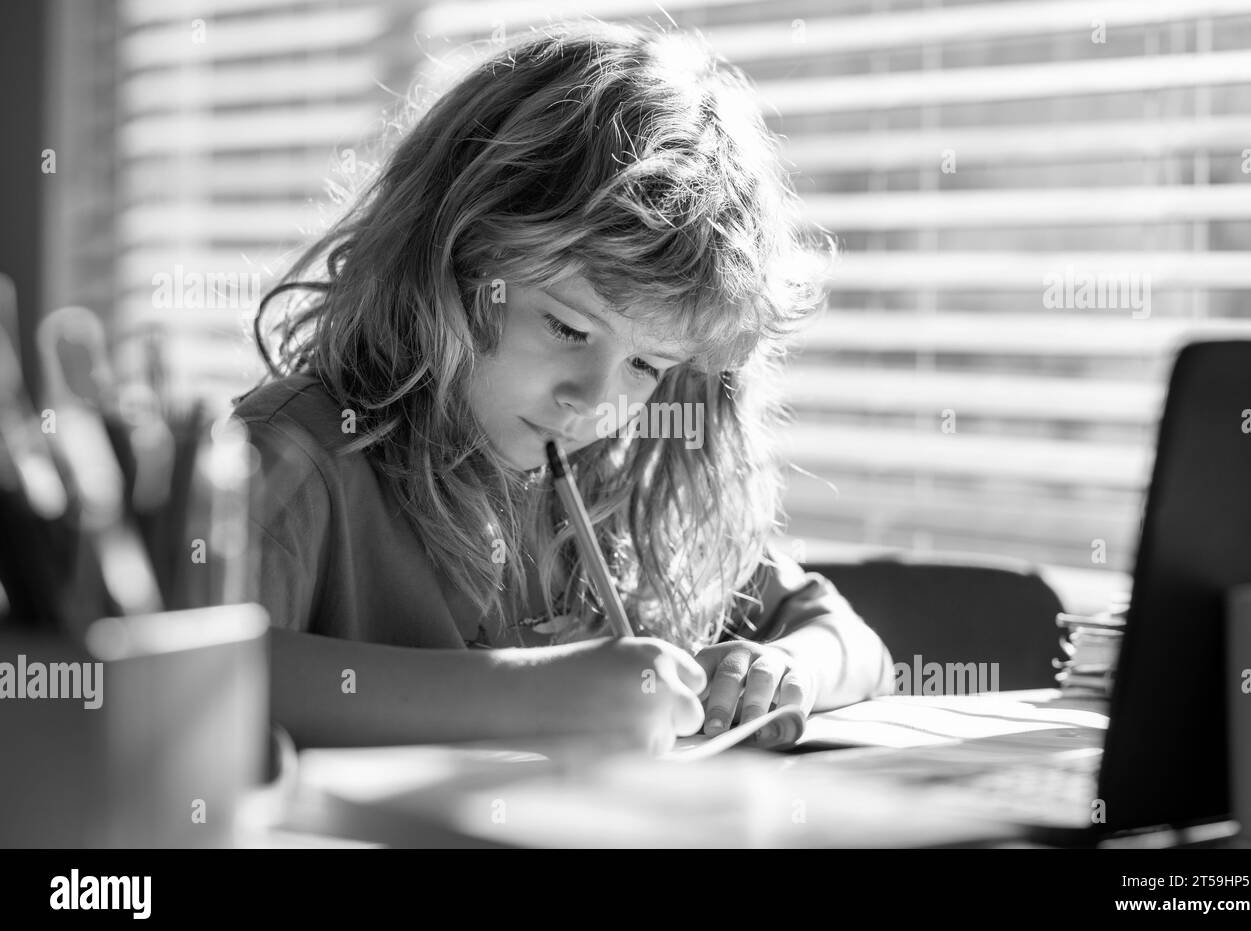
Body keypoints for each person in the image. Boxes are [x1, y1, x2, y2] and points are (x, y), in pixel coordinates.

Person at [232, 20, 893, 754]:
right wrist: (533, 693)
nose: (594, 401)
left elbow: (851, 642)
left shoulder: (626, 489)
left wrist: (781, 666)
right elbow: (180, 676)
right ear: (449, 257)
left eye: (645, 365)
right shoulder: (296, 458)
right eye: (569, 329)